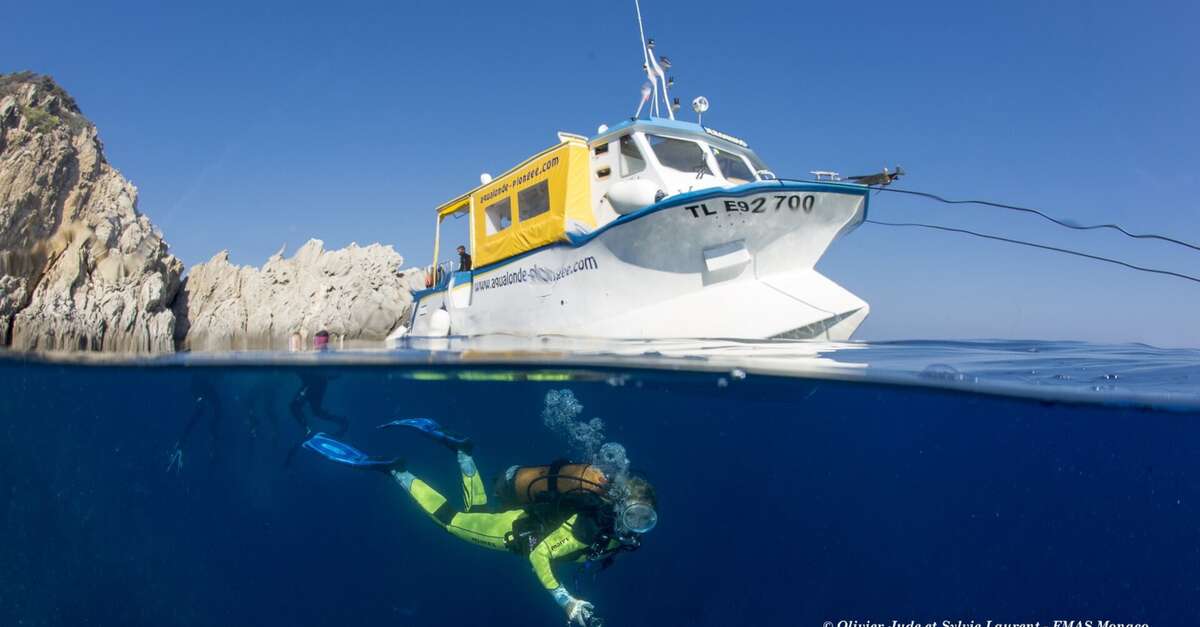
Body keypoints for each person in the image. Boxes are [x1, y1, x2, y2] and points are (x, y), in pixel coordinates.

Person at [303, 419, 657, 627]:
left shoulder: (620, 537)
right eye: (635, 516)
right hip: (512, 532)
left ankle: (463, 452)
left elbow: (578, 552)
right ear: (620, 507)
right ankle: (397, 471)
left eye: (644, 521)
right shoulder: (592, 528)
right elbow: (540, 556)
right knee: (451, 521)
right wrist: (566, 601)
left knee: (480, 508)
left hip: (516, 518)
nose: (635, 526)